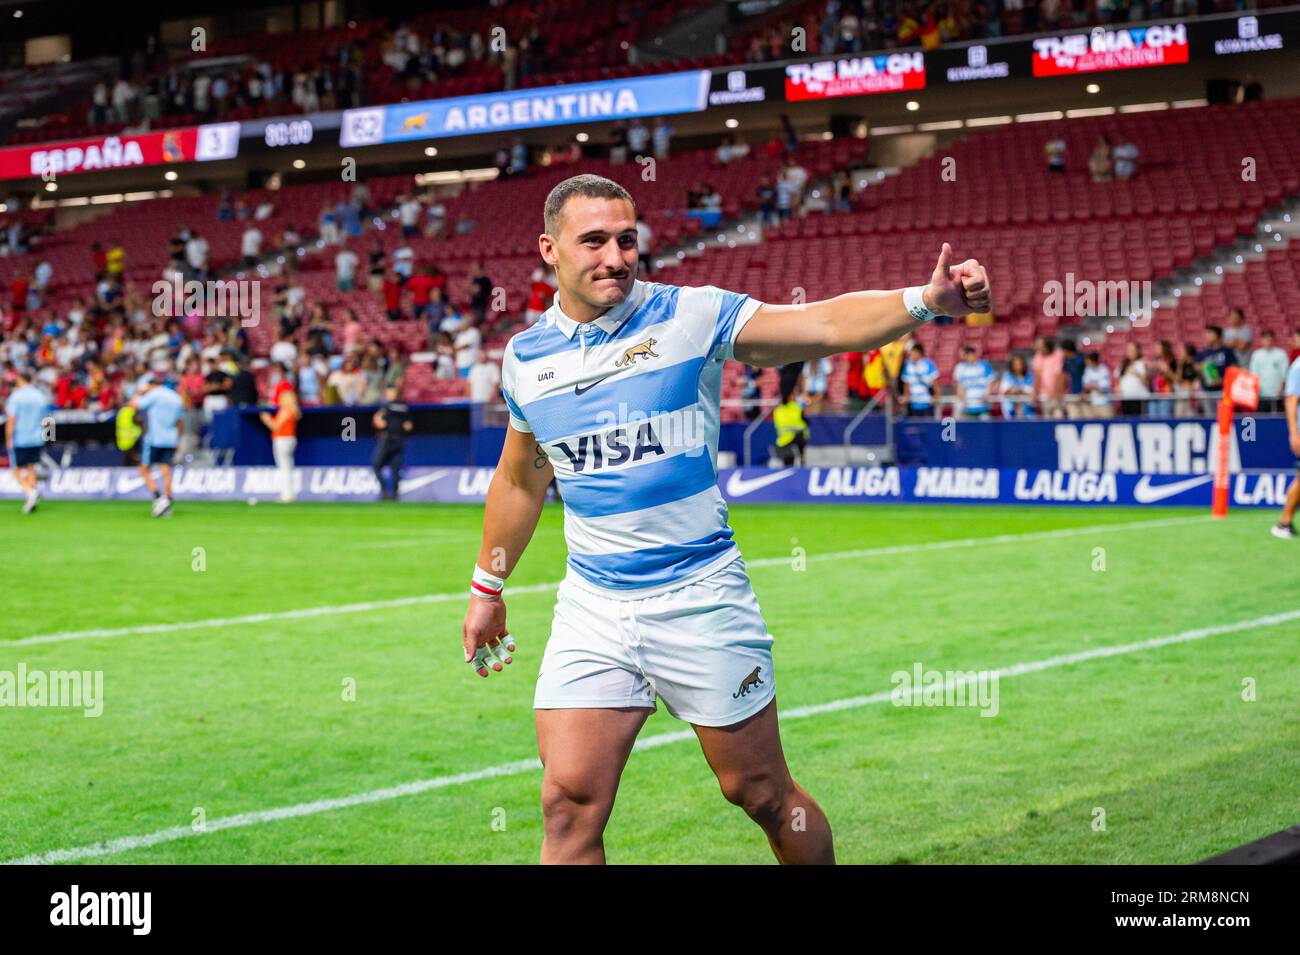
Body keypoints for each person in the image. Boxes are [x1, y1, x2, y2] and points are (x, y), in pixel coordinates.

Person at [462, 172, 990, 864]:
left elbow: (821, 324)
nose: (616, 257)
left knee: (762, 792)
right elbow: (521, 477)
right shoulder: (526, 357)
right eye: (594, 241)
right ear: (549, 249)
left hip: (699, 597)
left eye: (627, 239)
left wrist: (926, 301)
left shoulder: (692, 315)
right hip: (592, 606)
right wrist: (486, 588)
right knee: (567, 806)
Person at [130, 376, 186, 517]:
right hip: (171, 438)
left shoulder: (154, 394)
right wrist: (178, 440)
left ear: (150, 385)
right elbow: (180, 422)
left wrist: (139, 392)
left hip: (155, 438)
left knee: (144, 469)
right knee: (166, 469)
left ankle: (158, 497)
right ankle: (167, 498)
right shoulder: (176, 397)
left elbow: (134, 405)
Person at [4, 368, 50, 514]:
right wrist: (49, 438)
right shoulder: (40, 396)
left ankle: (30, 492)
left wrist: (8, 438)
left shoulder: (16, 397)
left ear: (20, 380)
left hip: (21, 439)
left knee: (15, 469)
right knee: (31, 468)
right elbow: (48, 419)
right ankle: (30, 501)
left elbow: (11, 420)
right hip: (38, 438)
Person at [260, 368, 300, 503]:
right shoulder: (293, 411)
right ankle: (288, 493)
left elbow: (275, 426)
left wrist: (266, 419)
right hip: (289, 439)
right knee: (288, 466)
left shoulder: (285, 411)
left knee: (284, 467)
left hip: (282, 439)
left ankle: (287, 495)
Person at [1272, 355, 1300, 538]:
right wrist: (1294, 433)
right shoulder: (1299, 366)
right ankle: (1284, 522)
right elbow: (1291, 400)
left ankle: (1285, 523)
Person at [371, 383, 412, 500]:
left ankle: (393, 493)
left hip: (395, 440)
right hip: (387, 439)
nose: (391, 394)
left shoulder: (396, 406)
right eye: (389, 392)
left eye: (392, 392)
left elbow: (408, 424)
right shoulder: (387, 406)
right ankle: (385, 490)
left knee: (395, 468)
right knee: (377, 464)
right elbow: (408, 425)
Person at [1196, 324, 1238, 414]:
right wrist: (1199, 368)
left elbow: (1234, 371)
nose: (1206, 336)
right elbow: (1197, 370)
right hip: (1207, 392)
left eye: (1209, 333)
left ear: (1217, 335)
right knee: (1209, 419)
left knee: (1224, 418)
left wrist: (1222, 381)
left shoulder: (1227, 351)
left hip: (1222, 391)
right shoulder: (1203, 353)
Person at [1250, 329, 1289, 413]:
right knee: (1261, 419)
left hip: (1277, 395)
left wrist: (1281, 388)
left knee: (1277, 419)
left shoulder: (1281, 354)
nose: (1267, 342)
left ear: (1274, 340)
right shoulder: (1256, 355)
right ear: (1261, 340)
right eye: (1265, 339)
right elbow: (1254, 375)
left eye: (1270, 339)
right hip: (1261, 395)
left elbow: (1284, 374)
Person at [771, 386, 809, 466]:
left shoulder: (777, 410)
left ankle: (799, 459)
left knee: (788, 462)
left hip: (782, 440)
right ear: (789, 396)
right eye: (793, 395)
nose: (794, 397)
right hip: (793, 439)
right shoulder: (797, 407)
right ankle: (801, 459)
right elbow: (806, 412)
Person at [953, 344, 994, 419]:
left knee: (985, 426)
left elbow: (990, 381)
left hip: (982, 403)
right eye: (968, 355)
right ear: (965, 356)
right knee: (970, 427)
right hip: (968, 404)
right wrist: (960, 395)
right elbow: (959, 385)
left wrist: (987, 394)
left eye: (972, 355)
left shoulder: (984, 365)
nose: (971, 357)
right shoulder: (960, 368)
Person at [1032, 337, 1064, 418]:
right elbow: (1037, 375)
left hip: (1058, 395)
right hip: (1045, 395)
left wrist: (1055, 392)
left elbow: (1060, 375)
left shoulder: (1058, 354)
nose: (1037, 348)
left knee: (1058, 416)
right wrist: (1035, 392)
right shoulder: (1038, 356)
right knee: (1047, 418)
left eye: (1040, 346)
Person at [1117, 342, 1149, 416]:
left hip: (1138, 399)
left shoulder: (1142, 363)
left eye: (1132, 350)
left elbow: (1146, 382)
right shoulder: (1122, 365)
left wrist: (1136, 373)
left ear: (1137, 351)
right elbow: (1118, 381)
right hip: (1125, 399)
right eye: (1128, 350)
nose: (1130, 353)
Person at [999, 353, 1034, 418]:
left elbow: (1032, 391)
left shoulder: (1030, 375)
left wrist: (1020, 390)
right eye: (1016, 364)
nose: (1018, 366)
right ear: (1012, 365)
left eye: (1020, 364)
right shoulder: (1007, 376)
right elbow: (1004, 391)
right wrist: (1013, 390)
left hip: (1028, 411)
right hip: (1011, 411)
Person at [1081, 351, 1113, 418]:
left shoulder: (1104, 370)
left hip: (1104, 404)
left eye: (1087, 361)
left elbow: (1104, 387)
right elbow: (1085, 386)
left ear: (1092, 360)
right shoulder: (1088, 370)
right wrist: (1095, 386)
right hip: (1092, 403)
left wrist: (1092, 386)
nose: (1086, 363)